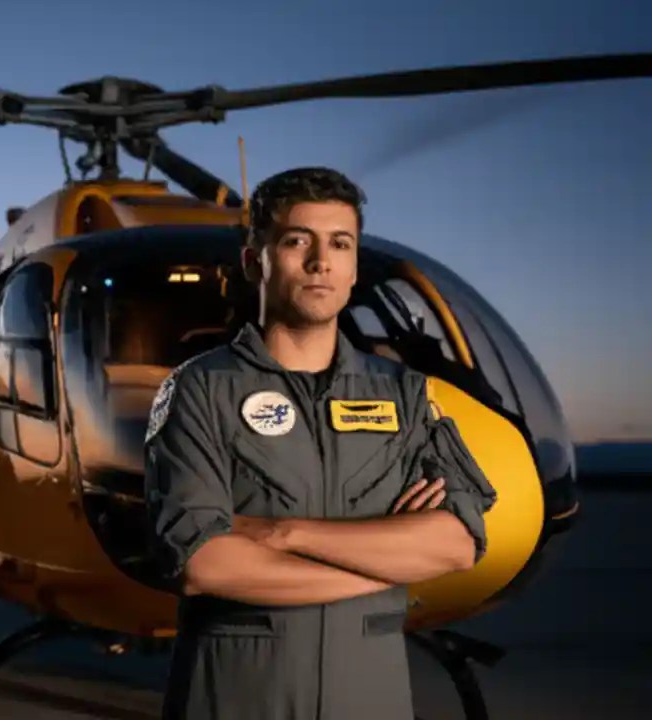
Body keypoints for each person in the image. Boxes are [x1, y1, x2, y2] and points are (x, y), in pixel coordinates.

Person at [143, 167, 498, 719]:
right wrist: (388, 564)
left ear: (354, 267)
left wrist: (282, 532)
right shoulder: (199, 390)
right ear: (252, 261)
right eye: (295, 241)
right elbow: (205, 563)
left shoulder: (403, 394)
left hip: (370, 699)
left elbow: (455, 542)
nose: (320, 262)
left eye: (339, 243)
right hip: (237, 698)